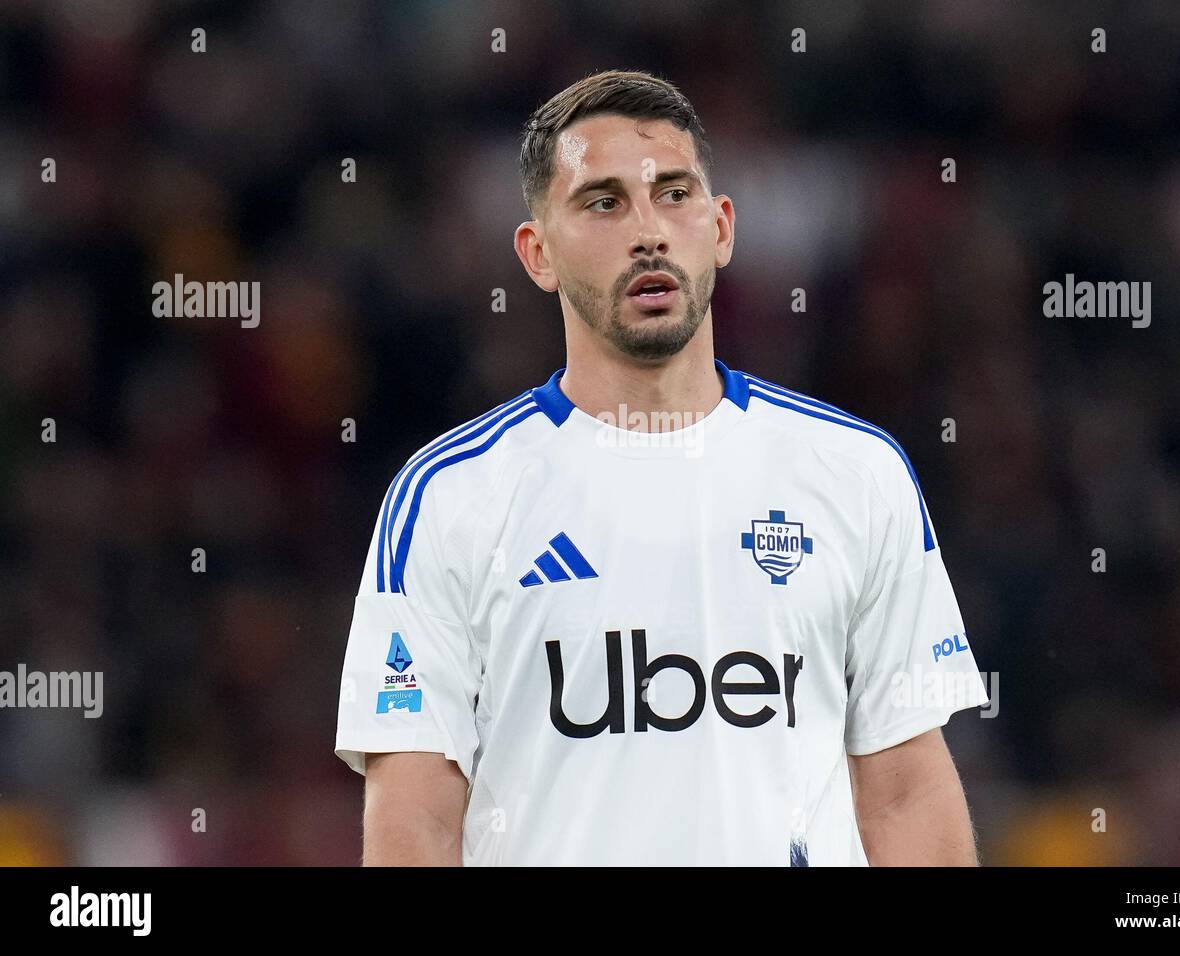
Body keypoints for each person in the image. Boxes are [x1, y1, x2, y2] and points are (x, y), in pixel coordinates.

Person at [335, 69, 989, 865]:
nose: (648, 230)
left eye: (673, 194)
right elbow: (416, 821)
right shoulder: (450, 498)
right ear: (537, 253)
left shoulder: (854, 471)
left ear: (720, 227)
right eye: (604, 202)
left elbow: (906, 790)